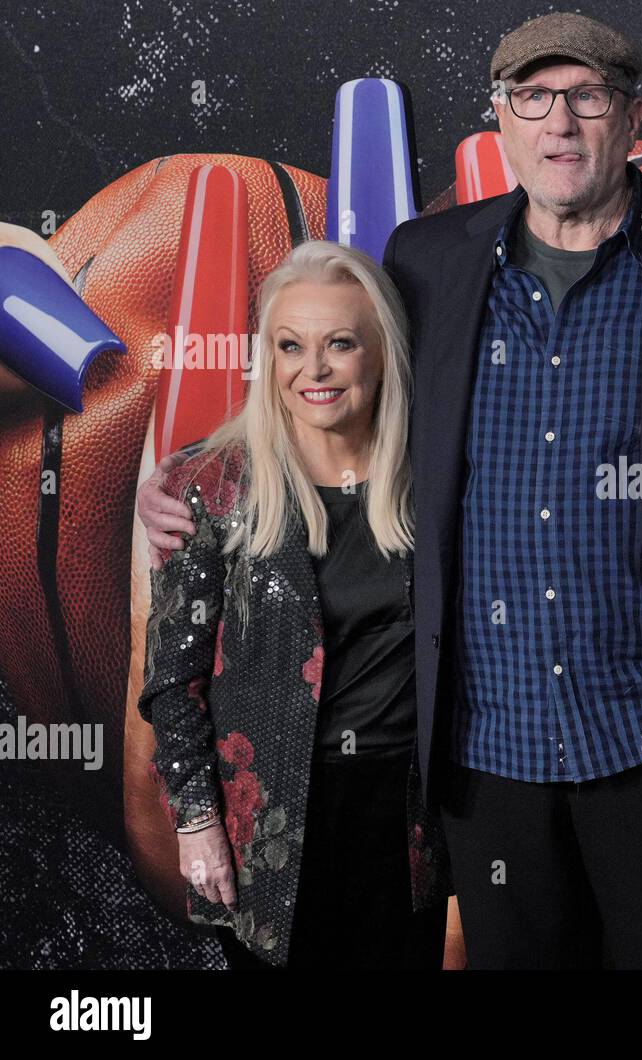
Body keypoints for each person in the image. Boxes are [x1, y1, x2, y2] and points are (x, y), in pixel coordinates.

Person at [141, 11, 642, 969]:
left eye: (587, 97)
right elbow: (329, 389)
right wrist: (181, 481)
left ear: (632, 114)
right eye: (532, 99)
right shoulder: (429, 260)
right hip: (489, 756)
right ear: (501, 119)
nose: (559, 123)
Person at [137, 240, 451, 969]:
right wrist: (197, 824)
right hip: (269, 821)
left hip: (402, 818)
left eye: (340, 344)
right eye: (289, 345)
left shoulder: (434, 479)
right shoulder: (211, 484)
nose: (313, 370)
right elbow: (172, 685)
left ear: (381, 354)